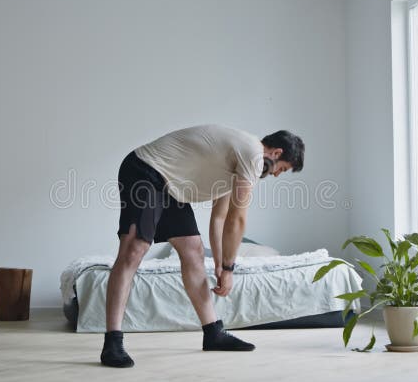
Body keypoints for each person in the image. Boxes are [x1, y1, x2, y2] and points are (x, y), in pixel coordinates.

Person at [101, 124, 305, 368]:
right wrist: (230, 269)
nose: (275, 175)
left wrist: (220, 265)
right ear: (276, 153)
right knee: (134, 249)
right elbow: (237, 219)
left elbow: (219, 217)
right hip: (145, 170)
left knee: (193, 251)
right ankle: (112, 342)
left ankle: (213, 333)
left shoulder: (240, 162)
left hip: (171, 187)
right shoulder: (252, 152)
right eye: (281, 169)